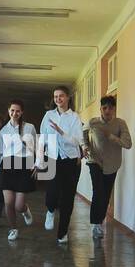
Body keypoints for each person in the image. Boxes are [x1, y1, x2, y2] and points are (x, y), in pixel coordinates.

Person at [38, 85, 83, 244]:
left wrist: (61, 132)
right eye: (56, 96)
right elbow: (42, 138)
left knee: (67, 198)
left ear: (68, 97)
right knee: (52, 192)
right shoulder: (48, 115)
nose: (58, 99)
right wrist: (38, 160)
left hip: (70, 160)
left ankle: (62, 233)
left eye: (61, 96)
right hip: (51, 158)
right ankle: (50, 210)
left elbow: (77, 141)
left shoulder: (74, 118)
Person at [83, 95, 132, 238]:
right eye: (105, 108)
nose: (107, 111)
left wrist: (111, 136)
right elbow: (83, 134)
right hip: (95, 161)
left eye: (111, 108)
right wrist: (85, 146)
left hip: (112, 164)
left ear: (114, 109)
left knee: (105, 195)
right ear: (100, 109)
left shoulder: (120, 123)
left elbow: (128, 144)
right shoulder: (93, 122)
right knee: (98, 192)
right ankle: (96, 225)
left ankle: (100, 221)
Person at [0, 100, 38, 241]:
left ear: (22, 112)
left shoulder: (29, 128)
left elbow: (37, 147)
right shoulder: (3, 129)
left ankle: (25, 210)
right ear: (8, 110)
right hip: (7, 165)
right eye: (12, 110)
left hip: (24, 165)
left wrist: (36, 163)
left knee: (18, 205)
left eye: (18, 111)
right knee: (8, 203)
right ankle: (14, 229)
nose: (15, 113)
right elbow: (0, 150)